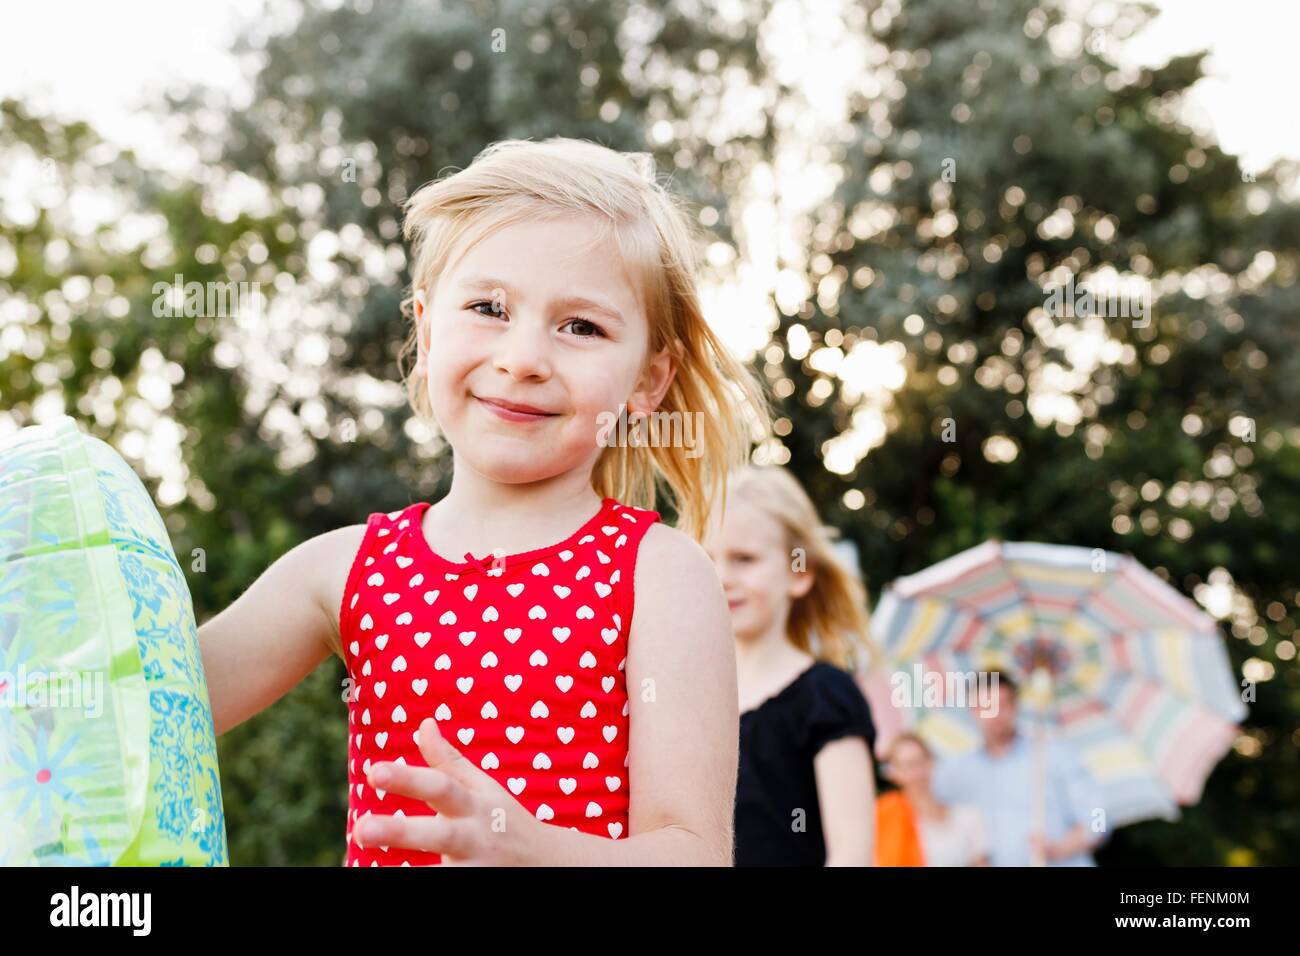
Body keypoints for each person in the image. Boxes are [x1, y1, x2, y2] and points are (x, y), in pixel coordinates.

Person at [197, 138, 774, 865]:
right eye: (489, 307)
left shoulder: (660, 576)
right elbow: (147, 711)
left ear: (647, 382)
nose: (524, 358)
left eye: (581, 327)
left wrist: (530, 847)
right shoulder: (342, 571)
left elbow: (693, 853)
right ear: (428, 329)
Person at [703, 464, 877, 866]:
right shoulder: (687, 700)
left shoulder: (826, 697)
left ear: (799, 574)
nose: (722, 576)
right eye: (708, 557)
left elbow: (852, 855)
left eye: (745, 559)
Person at [931, 671, 1107, 866]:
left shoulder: (1054, 753)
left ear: (1015, 706)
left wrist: (1061, 847)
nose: (995, 714)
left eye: (1002, 705)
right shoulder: (957, 772)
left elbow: (1099, 816)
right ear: (972, 710)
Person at [876, 732, 988, 866]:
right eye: (909, 766)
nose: (918, 772)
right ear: (895, 773)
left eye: (922, 761)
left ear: (932, 762)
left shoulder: (967, 816)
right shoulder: (887, 820)